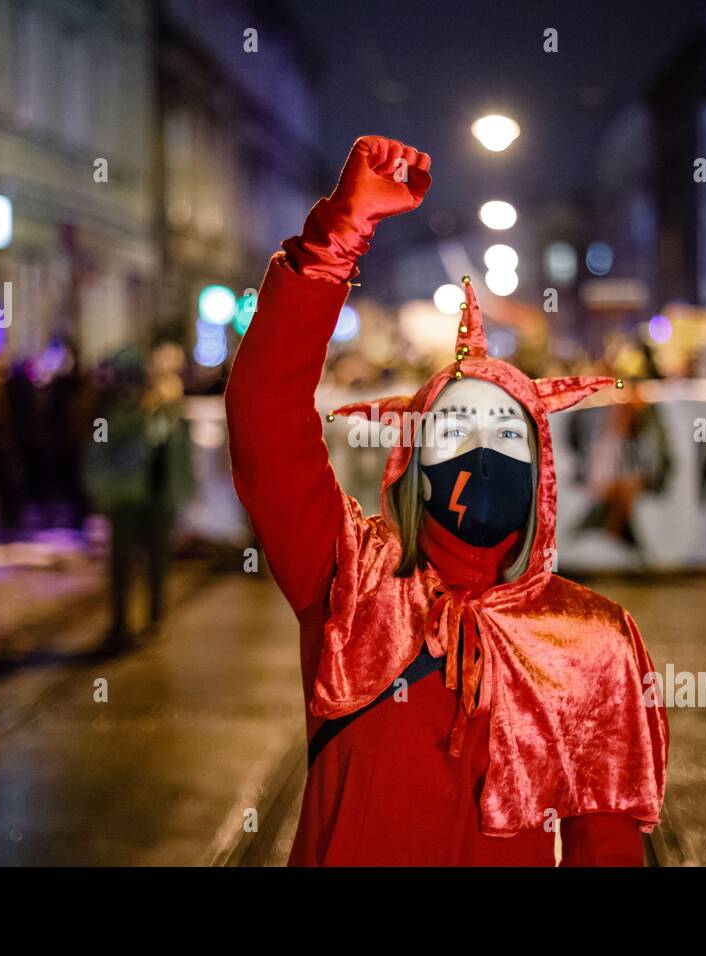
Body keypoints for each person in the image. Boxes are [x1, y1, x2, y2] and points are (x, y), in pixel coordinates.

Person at [225, 135, 668, 866]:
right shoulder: (352, 584)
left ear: (540, 473)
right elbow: (265, 415)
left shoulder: (593, 641)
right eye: (456, 426)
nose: (481, 449)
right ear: (415, 458)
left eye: (507, 432)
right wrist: (337, 234)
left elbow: (607, 848)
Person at [85, 347, 192, 654]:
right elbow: (98, 455)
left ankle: (154, 619)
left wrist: (179, 493)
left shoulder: (168, 417)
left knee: (156, 562)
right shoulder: (117, 414)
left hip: (156, 499)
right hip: (127, 499)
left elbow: (180, 458)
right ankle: (121, 623)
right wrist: (104, 492)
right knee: (122, 564)